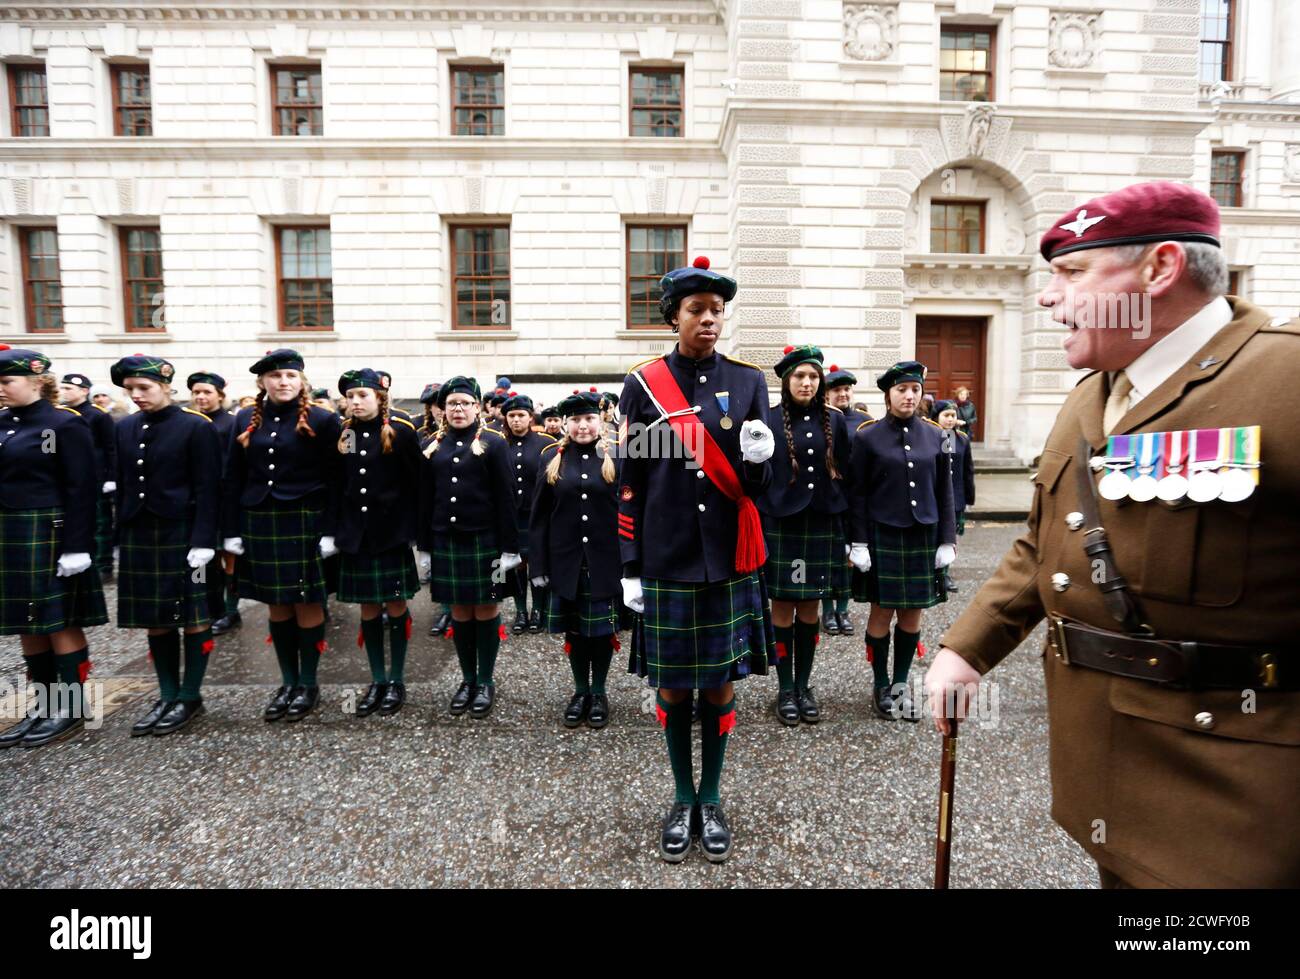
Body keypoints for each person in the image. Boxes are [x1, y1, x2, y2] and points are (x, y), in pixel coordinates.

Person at [925, 180, 1300, 889]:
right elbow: (1045, 545)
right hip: (1109, 775)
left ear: (1160, 269)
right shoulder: (1093, 395)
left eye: (1071, 272)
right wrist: (967, 649)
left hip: (1244, 800)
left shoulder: (1286, 377)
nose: (1047, 296)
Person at [619, 256, 776, 863]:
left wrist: (760, 462)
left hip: (727, 559)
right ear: (674, 317)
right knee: (674, 690)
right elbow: (633, 481)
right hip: (668, 555)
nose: (709, 319)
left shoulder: (748, 382)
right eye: (697, 310)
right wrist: (630, 565)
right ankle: (681, 797)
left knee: (717, 686)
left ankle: (710, 799)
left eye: (717, 311)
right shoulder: (644, 384)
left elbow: (758, 486)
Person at [222, 349, 342, 723]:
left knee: (306, 602)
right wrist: (231, 530)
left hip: (305, 519)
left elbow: (339, 479)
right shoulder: (244, 418)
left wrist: (331, 531)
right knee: (276, 603)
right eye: (275, 376)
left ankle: (308, 683)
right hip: (260, 519)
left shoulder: (323, 419)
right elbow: (233, 476)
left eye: (290, 375)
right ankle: (287, 682)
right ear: (263, 382)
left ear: (301, 380)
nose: (283, 382)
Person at [0, 346, 108, 749]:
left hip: (48, 529)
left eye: (6, 381)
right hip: (11, 529)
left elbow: (81, 487)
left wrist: (77, 546)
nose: (0, 389)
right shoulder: (3, 423)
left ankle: (72, 706)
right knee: (27, 621)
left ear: (36, 382)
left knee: (59, 621)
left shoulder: (63, 424)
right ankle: (45, 704)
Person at [110, 356, 223, 736]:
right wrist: (119, 532)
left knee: (193, 616)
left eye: (144, 388)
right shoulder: (125, 426)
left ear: (166, 387)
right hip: (140, 532)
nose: (137, 395)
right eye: (130, 389)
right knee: (155, 618)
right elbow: (123, 482)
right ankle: (167, 694)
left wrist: (205, 539)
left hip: (183, 531)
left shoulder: (196, 426)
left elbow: (210, 487)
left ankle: (190, 696)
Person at [847, 360, 956, 722]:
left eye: (915, 390)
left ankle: (900, 685)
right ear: (888, 394)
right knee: (881, 612)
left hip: (923, 533)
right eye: (902, 390)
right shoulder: (867, 436)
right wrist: (858, 542)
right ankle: (881, 685)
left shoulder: (937, 435)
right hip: (884, 533)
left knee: (912, 614)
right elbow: (857, 493)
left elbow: (945, 490)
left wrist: (947, 539)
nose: (909, 396)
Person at [416, 377, 521, 718]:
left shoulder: (494, 443)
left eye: (464, 403)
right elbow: (425, 498)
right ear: (443, 409)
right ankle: (468, 680)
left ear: (477, 407)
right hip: (446, 539)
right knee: (460, 611)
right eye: (451, 404)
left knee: (486, 608)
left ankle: (486, 681)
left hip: (485, 541)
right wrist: (425, 546)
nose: (458, 409)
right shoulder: (431, 444)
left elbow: (507, 497)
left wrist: (510, 548)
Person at [757, 344, 851, 726]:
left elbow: (847, 473)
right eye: (799, 376)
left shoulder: (836, 420)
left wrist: (851, 535)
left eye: (813, 376)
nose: (807, 383)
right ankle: (785, 688)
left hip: (821, 523)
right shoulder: (766, 418)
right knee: (782, 607)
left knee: (810, 607)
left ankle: (803, 685)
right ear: (786, 380)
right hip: (781, 523)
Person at [327, 369, 422, 718]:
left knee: (396, 604)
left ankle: (396, 679)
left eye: (362, 396)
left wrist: (415, 532)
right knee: (367, 608)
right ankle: (377, 679)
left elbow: (417, 483)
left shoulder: (401, 429)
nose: (355, 402)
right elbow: (339, 483)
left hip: (391, 534)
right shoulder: (345, 433)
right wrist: (333, 531)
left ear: (380, 398)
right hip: (357, 535)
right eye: (350, 396)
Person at [529, 389, 626, 729]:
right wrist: (538, 565)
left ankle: (598, 692)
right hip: (566, 561)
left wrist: (633, 563)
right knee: (575, 632)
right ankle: (580, 690)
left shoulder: (618, 455)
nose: (582, 426)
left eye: (588, 419)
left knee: (600, 633)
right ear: (565, 424)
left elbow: (630, 513)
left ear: (601, 421)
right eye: (575, 420)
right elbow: (539, 516)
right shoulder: (550, 457)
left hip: (606, 561)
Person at [189, 371, 243, 636]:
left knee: (228, 559)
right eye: (196, 392)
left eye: (207, 392)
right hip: (196, 501)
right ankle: (207, 606)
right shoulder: (189, 422)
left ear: (220, 395)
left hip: (225, 500)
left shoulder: (231, 423)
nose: (201, 397)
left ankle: (230, 610)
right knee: (200, 561)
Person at [500, 393, 557, 633]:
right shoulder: (499, 443)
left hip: (538, 514)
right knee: (516, 565)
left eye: (520, 415)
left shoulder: (546, 443)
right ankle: (521, 611)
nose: (516, 420)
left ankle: (539, 611)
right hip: (511, 515)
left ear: (530, 416)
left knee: (538, 562)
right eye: (511, 415)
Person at [821, 365, 872, 635]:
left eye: (846, 389)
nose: (843, 394)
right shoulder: (821, 417)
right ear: (827, 394)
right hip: (829, 496)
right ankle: (827, 610)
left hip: (856, 498)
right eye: (836, 390)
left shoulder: (865, 421)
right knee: (829, 556)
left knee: (851, 556)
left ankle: (843, 609)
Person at [60, 372, 118, 581]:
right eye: (63, 388)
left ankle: (104, 566)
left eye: (69, 388)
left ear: (84, 391)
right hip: (69, 477)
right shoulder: (60, 413)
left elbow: (111, 447)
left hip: (96, 478)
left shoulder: (98, 415)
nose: (64, 392)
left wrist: (111, 477)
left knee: (100, 524)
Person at [934, 400, 975, 593]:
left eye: (953, 416)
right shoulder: (933, 436)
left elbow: (968, 470)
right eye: (946, 415)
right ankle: (934, 572)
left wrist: (969, 497)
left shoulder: (962, 439)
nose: (950, 419)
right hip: (934, 497)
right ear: (937, 417)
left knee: (949, 538)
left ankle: (944, 574)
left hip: (955, 497)